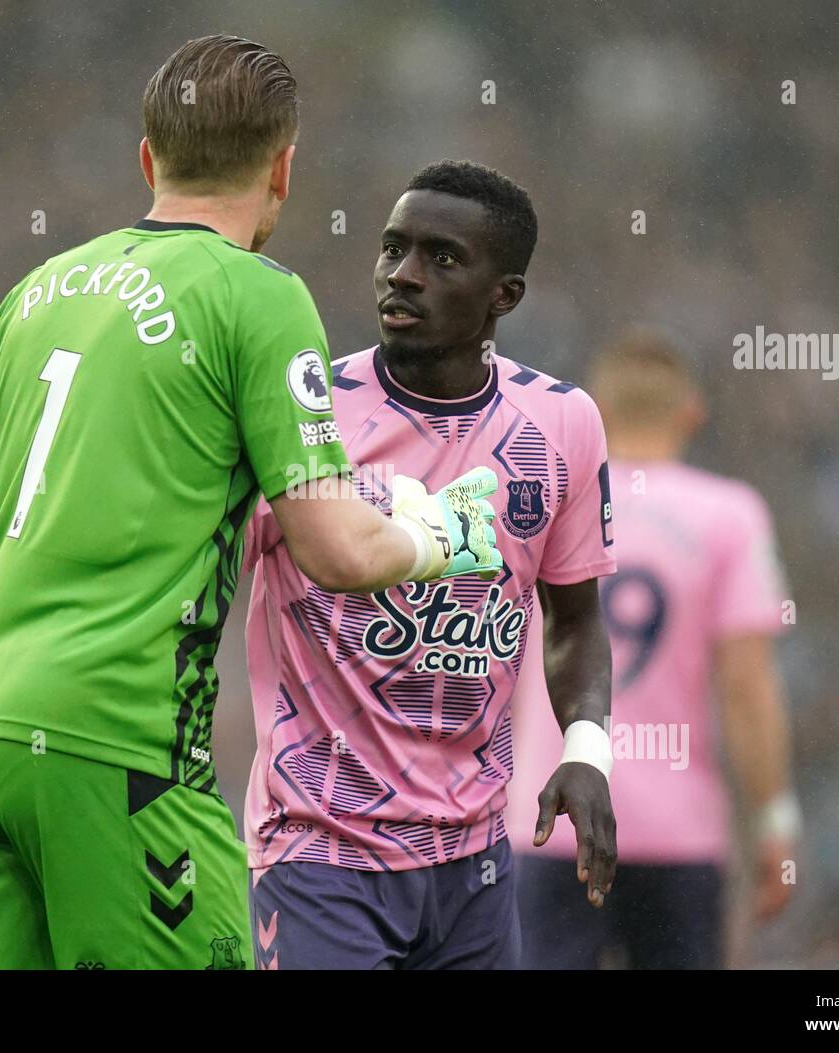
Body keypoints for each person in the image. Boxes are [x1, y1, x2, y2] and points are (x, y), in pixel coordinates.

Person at [0, 36, 500, 971]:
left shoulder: (36, 292)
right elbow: (336, 549)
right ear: (283, 168)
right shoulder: (256, 297)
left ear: (148, 160)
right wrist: (437, 533)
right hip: (116, 742)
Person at [242, 161, 618, 970]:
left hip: (475, 866)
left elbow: (576, 617)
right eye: (392, 249)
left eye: (441, 258)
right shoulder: (303, 413)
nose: (402, 275)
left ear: (504, 295)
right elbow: (196, 589)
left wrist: (586, 750)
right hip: (319, 851)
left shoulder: (562, 424)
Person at [507, 329, 799, 969]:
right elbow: (748, 688)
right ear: (691, 411)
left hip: (550, 820)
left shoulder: (543, 499)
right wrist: (774, 818)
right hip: (679, 834)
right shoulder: (729, 515)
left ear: (594, 412)